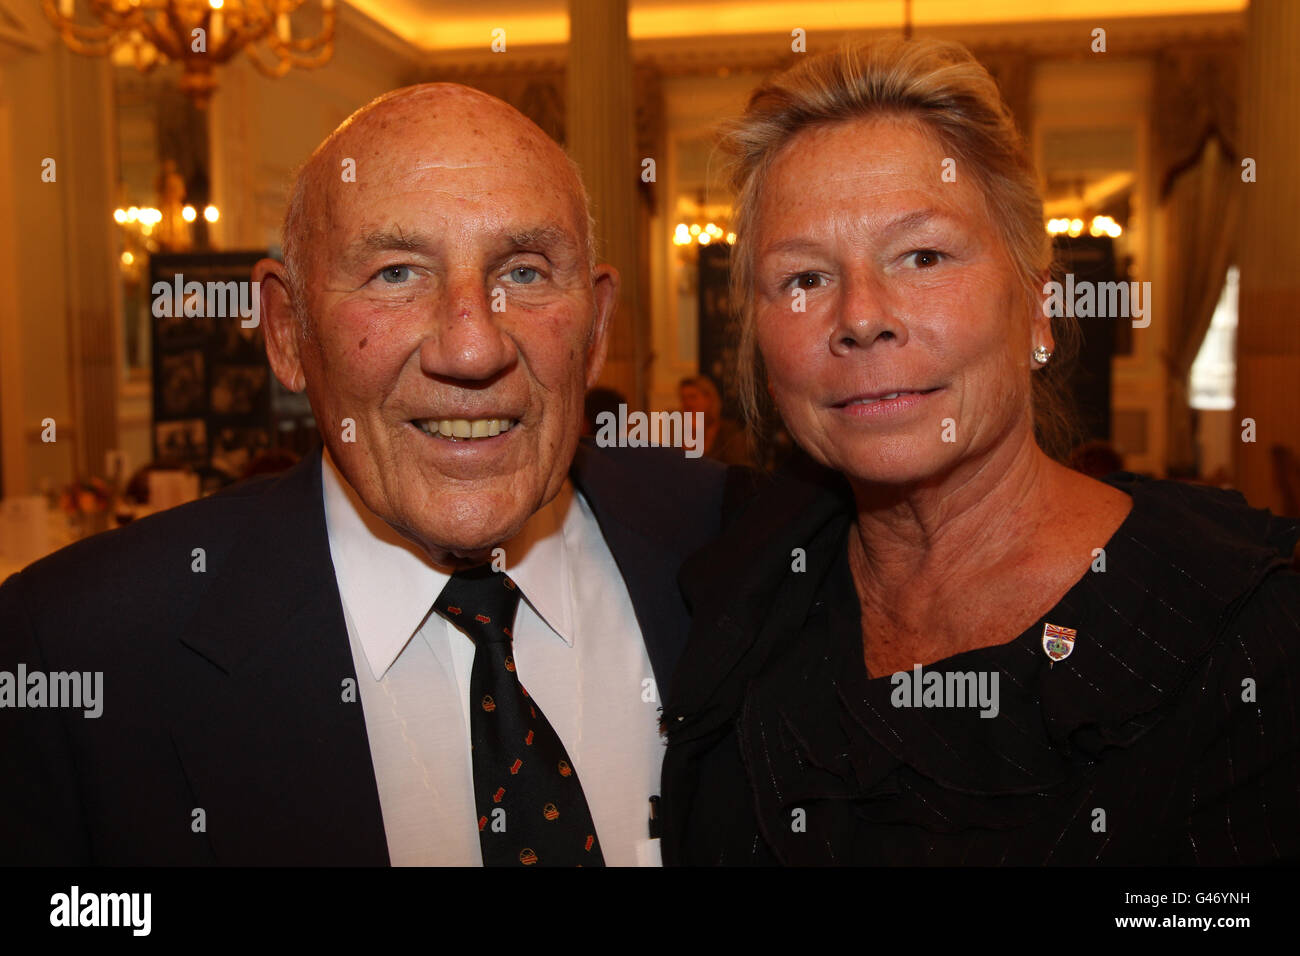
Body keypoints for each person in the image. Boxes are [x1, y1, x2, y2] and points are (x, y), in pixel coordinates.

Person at [0, 84, 726, 866]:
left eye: (522, 271)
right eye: (395, 274)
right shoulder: (75, 652)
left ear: (595, 328)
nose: (472, 347)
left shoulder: (737, 547)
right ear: (286, 332)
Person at [659, 38, 1300, 865]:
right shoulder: (742, 589)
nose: (861, 316)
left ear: (1038, 311)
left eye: (922, 256)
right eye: (805, 278)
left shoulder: (1239, 639)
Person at [679, 374, 753, 466]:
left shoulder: (729, 431)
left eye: (693, 397)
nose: (687, 403)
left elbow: (738, 469)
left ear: (709, 399)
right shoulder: (680, 433)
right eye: (683, 398)